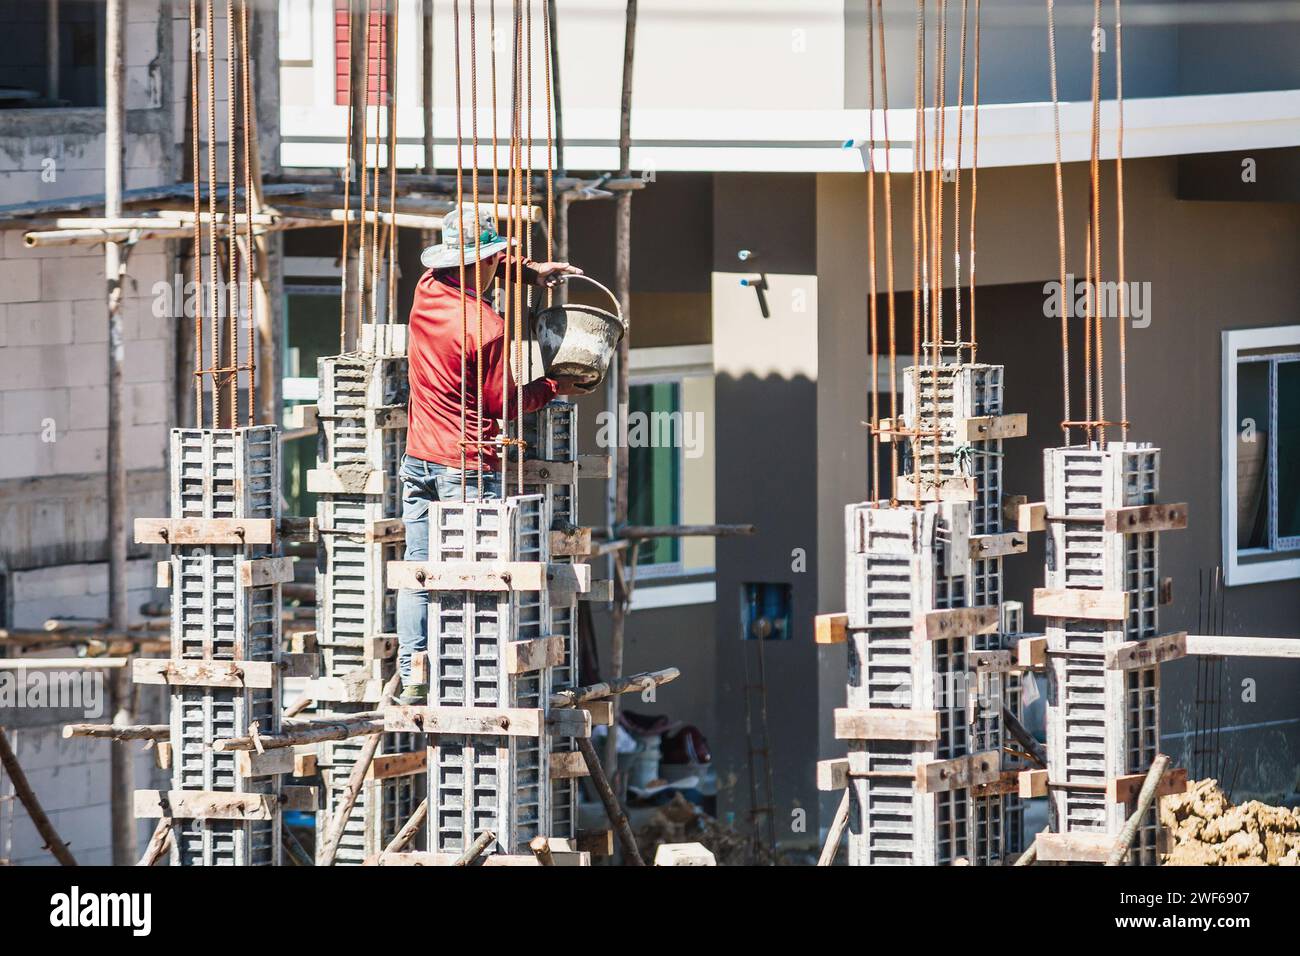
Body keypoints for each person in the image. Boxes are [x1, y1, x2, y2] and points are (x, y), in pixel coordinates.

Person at [395, 203, 587, 703]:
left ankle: (415, 669)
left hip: (419, 456)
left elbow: (468, 266)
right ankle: (466, 674)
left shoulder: (427, 291)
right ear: (483, 261)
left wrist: (526, 270)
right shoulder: (487, 325)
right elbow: (504, 401)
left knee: (420, 568)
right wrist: (552, 386)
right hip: (467, 461)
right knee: (471, 573)